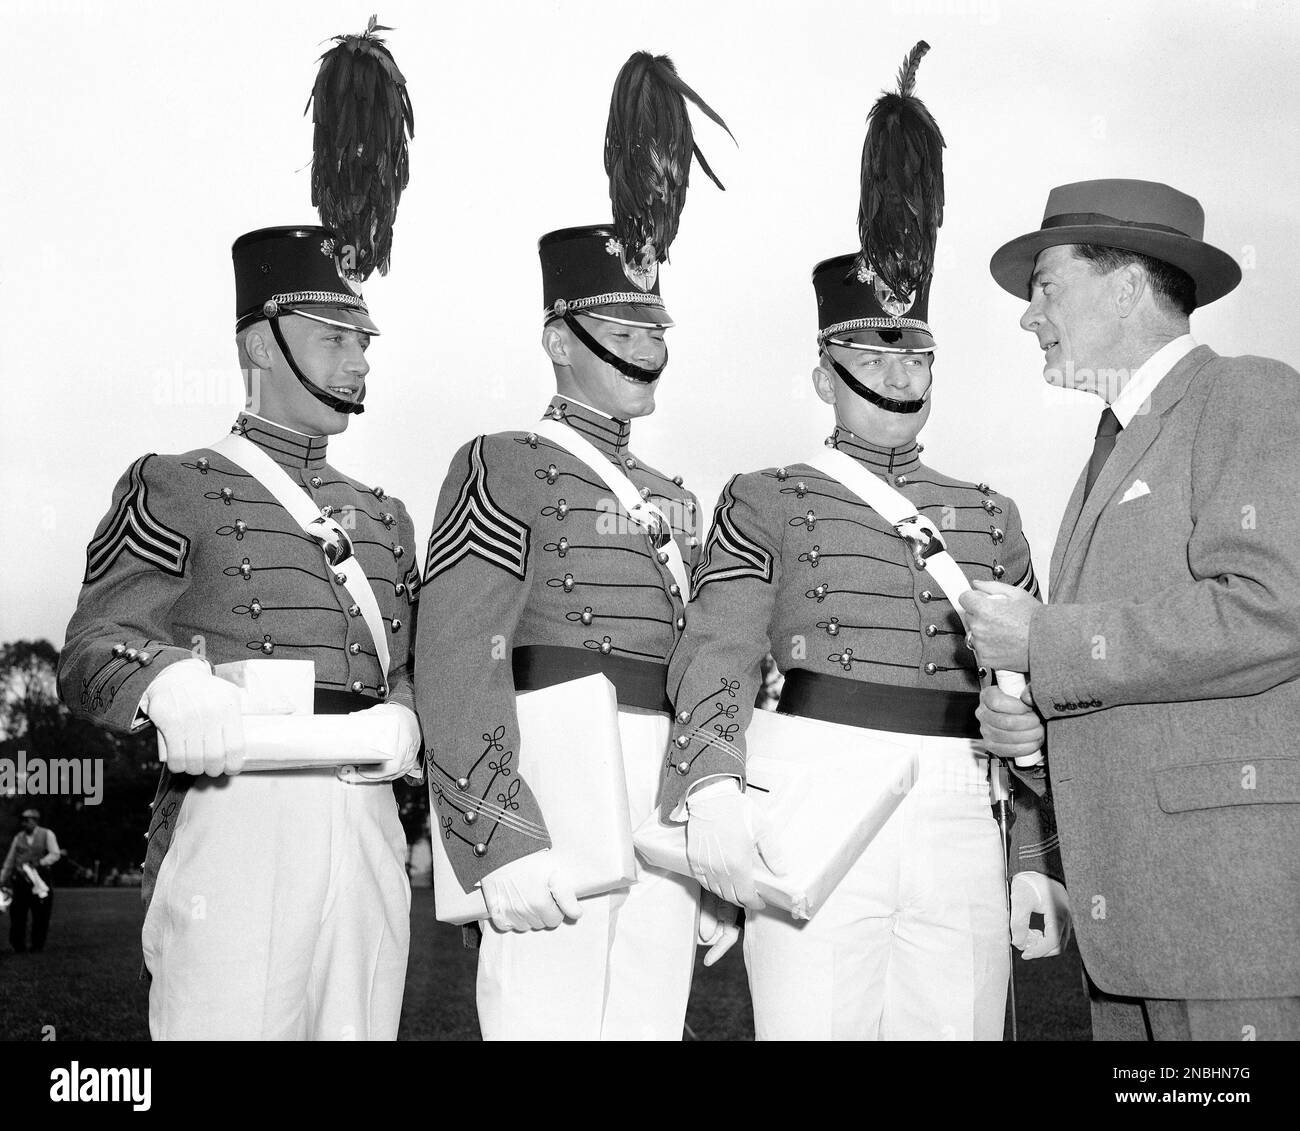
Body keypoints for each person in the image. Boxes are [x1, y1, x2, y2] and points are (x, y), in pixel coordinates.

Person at [660, 44, 1067, 1041]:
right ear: (823, 376)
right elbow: (717, 651)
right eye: (868, 351)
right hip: (811, 786)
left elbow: (1016, 706)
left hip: (957, 806)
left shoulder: (990, 513)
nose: (896, 369)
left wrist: (1026, 858)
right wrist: (709, 786)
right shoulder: (766, 497)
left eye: (913, 349)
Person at [416, 51, 735, 1042]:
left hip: (661, 805)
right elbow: (459, 655)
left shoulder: (675, 499)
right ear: (560, 336)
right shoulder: (498, 462)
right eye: (624, 322)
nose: (651, 344)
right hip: (552, 784)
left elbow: (703, 673)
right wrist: (496, 835)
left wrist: (713, 848)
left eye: (657, 321)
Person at [57, 225, 421, 1039]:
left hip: (367, 815)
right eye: (334, 337)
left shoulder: (385, 515)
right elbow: (89, 648)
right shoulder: (175, 482)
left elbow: (410, 660)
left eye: (363, 338)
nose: (360, 359)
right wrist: (165, 680)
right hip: (237, 810)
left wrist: (410, 708)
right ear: (261, 342)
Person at [966, 177, 1300, 1041]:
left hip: (1230, 924)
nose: (1029, 317)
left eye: (1047, 285)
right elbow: (1133, 685)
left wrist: (1044, 641)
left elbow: (1274, 608)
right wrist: (1038, 734)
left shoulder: (1250, 395)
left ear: (1126, 285)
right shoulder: (1107, 453)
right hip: (1133, 936)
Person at [1, 809, 61, 953]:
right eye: (23, 820)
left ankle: (37, 945)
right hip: (21, 880)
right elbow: (10, 860)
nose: (24, 823)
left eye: (27, 820)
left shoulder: (47, 834)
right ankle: (18, 945)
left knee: (41, 914)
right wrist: (2, 878)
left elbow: (55, 854)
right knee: (17, 913)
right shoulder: (18, 837)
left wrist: (41, 862)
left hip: (40, 879)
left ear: (35, 821)